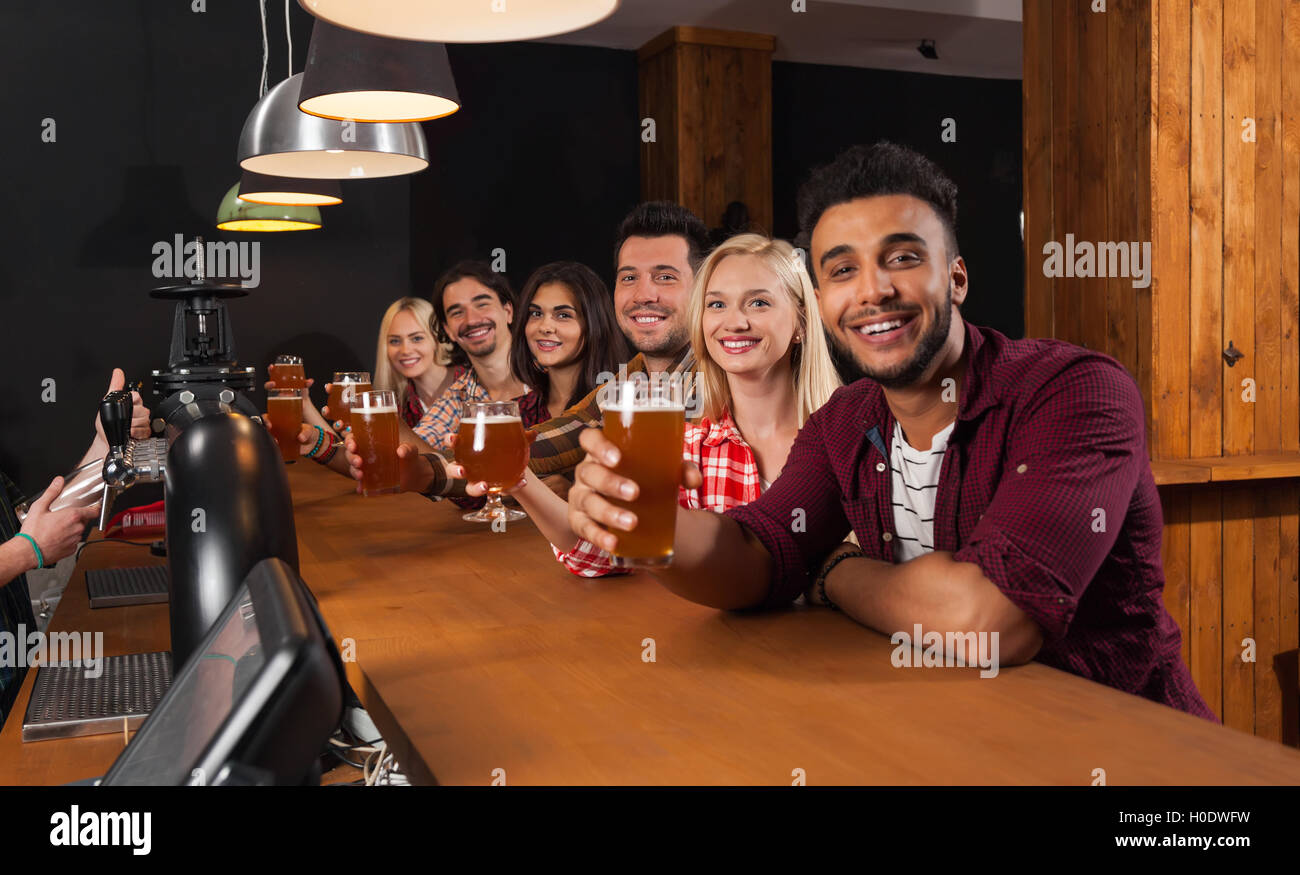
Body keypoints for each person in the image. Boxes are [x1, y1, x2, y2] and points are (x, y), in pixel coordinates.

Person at [566, 142, 1215, 719]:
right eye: (842, 269)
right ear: (821, 302)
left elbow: (989, 620)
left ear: (956, 277)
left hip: (1129, 749)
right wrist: (657, 530)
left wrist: (836, 572)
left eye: (901, 257)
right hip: (947, 737)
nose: (872, 290)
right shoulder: (844, 422)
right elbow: (758, 555)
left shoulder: (1073, 391)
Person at [529, 233, 840, 577]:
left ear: (802, 322)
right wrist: (521, 481)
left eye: (758, 303)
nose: (734, 322)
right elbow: (601, 555)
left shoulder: (852, 437)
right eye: (717, 305)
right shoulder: (686, 447)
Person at [380, 203, 711, 504]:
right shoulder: (632, 381)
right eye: (629, 278)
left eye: (665, 277)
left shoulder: (718, 376)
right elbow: (563, 435)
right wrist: (431, 473)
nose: (643, 294)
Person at [1, 368, 151, 727]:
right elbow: (29, 541)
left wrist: (107, 444)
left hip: (16, 676)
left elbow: (39, 519)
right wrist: (27, 551)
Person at [412, 261, 529, 453]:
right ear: (448, 330)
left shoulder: (550, 370)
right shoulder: (459, 396)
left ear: (508, 311)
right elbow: (414, 448)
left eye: (482, 304)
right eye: (457, 312)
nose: (472, 320)